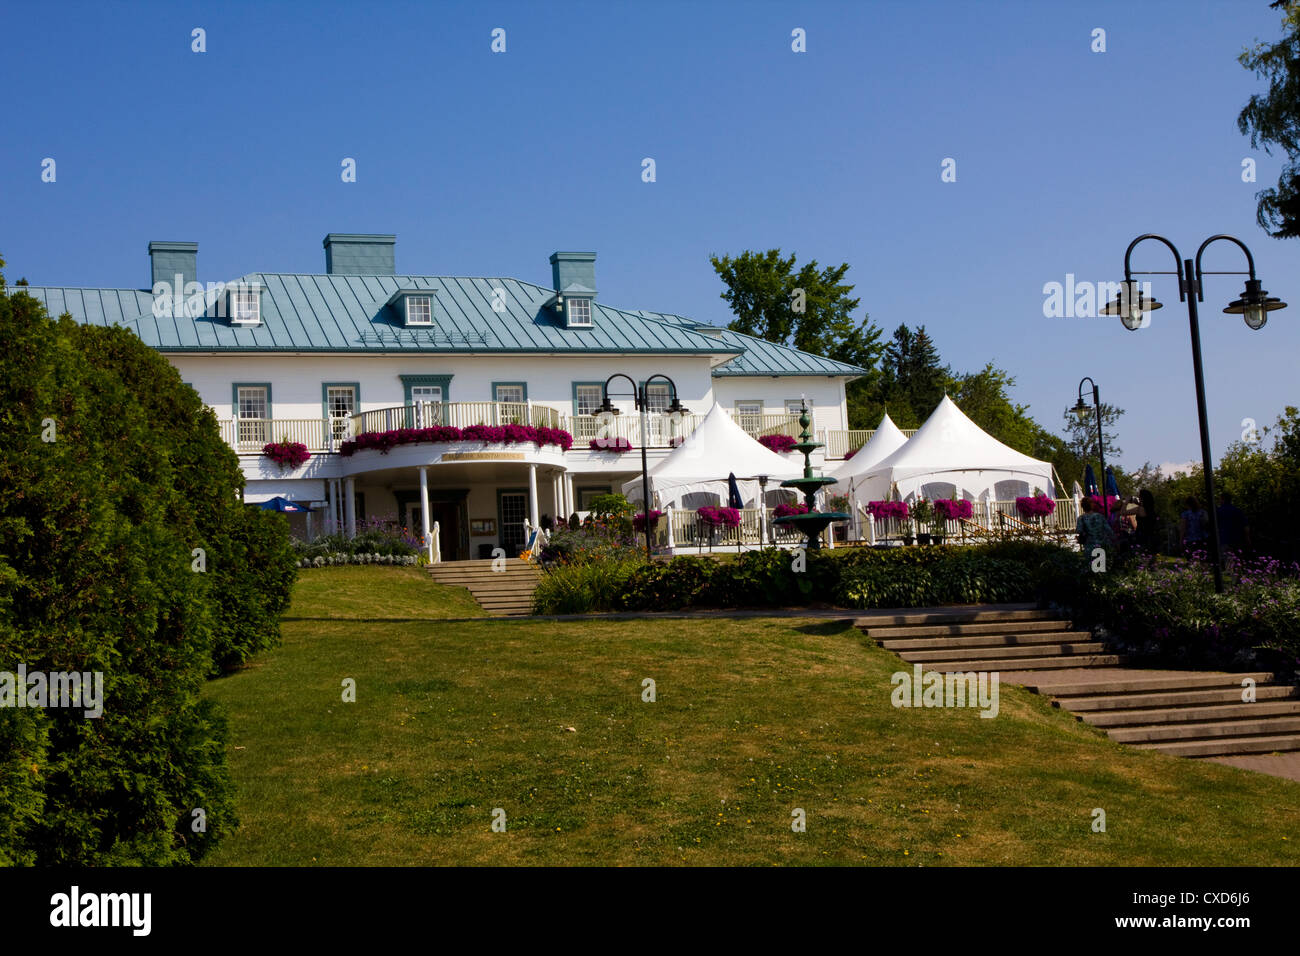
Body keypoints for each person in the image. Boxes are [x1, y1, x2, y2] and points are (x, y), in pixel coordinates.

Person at [1076, 496, 1115, 564]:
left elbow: (1079, 530)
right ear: (1092, 506)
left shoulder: (1081, 518)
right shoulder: (1100, 516)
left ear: (1083, 507)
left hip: (1089, 546)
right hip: (1102, 544)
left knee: (1090, 566)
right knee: (1101, 566)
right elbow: (1109, 530)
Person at [1135, 488, 1161, 553]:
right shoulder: (1151, 511)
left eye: (1139, 497)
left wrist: (1126, 501)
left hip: (1142, 538)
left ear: (1142, 498)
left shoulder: (1140, 509)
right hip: (1152, 539)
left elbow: (1122, 512)